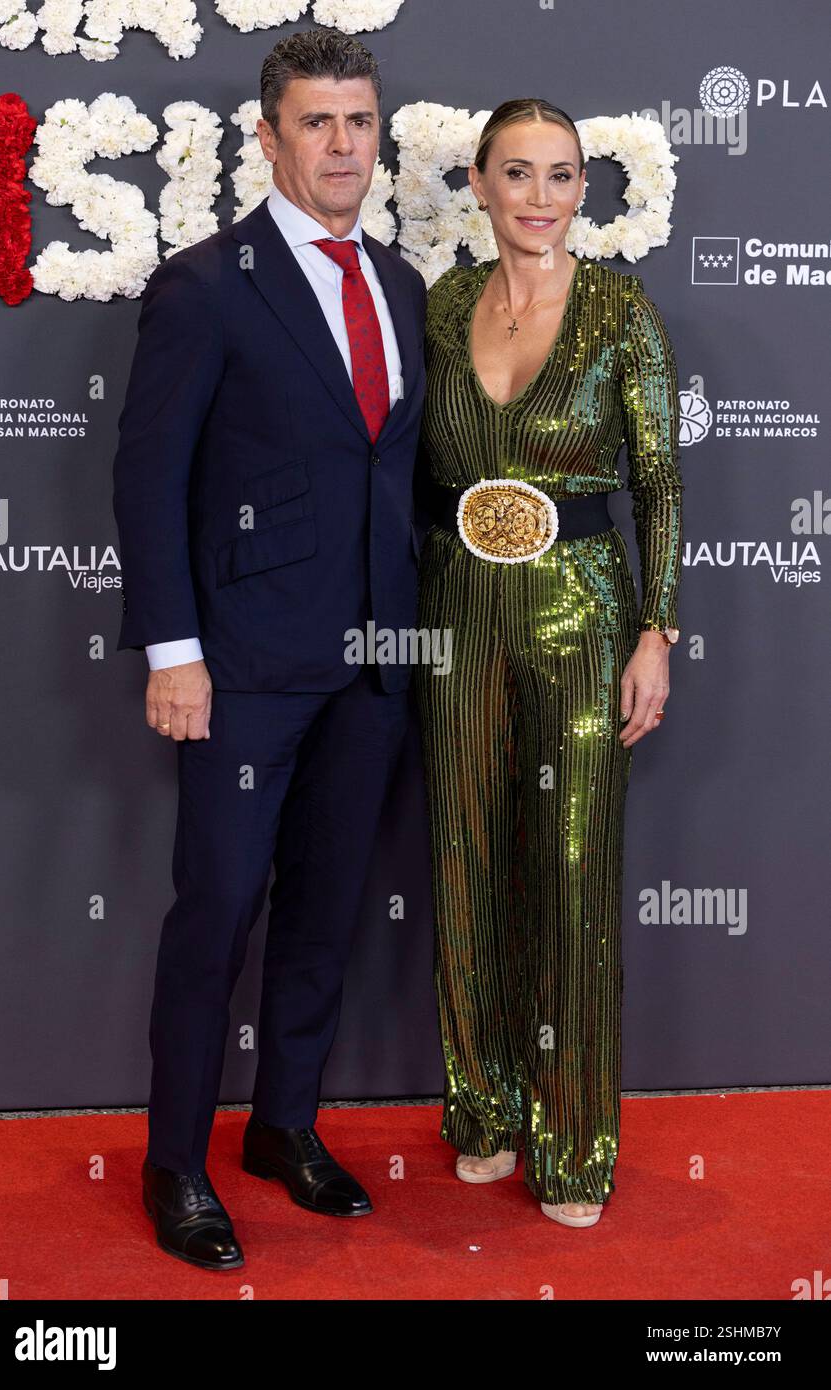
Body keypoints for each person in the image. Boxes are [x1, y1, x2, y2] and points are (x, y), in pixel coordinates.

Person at [112, 29, 427, 1270]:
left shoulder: (397, 281)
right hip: (240, 663)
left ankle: (282, 1124)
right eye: (316, 123)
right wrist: (172, 652)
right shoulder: (205, 286)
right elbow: (148, 483)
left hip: (374, 662)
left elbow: (384, 467)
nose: (342, 144)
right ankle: (175, 1161)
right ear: (269, 138)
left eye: (358, 121)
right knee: (220, 910)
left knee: (325, 908)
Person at [413, 98, 683, 1228]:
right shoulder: (435, 308)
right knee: (467, 861)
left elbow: (659, 482)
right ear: (476, 183)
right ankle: (483, 1107)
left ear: (584, 188)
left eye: (559, 174)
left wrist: (654, 630)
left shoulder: (621, 308)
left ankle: (573, 1145)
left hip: (580, 621)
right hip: (455, 616)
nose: (537, 196)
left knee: (568, 882)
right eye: (514, 173)